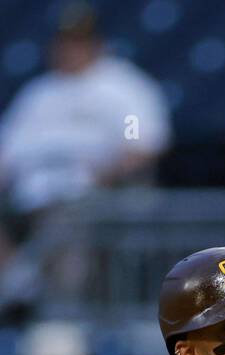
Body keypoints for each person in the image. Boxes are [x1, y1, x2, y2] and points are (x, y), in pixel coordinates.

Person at [0, 3, 171, 219]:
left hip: (97, 194)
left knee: (67, 218)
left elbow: (139, 143)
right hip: (32, 192)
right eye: (66, 42)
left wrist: (106, 175)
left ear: (97, 44)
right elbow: (7, 150)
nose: (71, 49)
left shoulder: (125, 88)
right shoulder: (38, 94)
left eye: (79, 42)